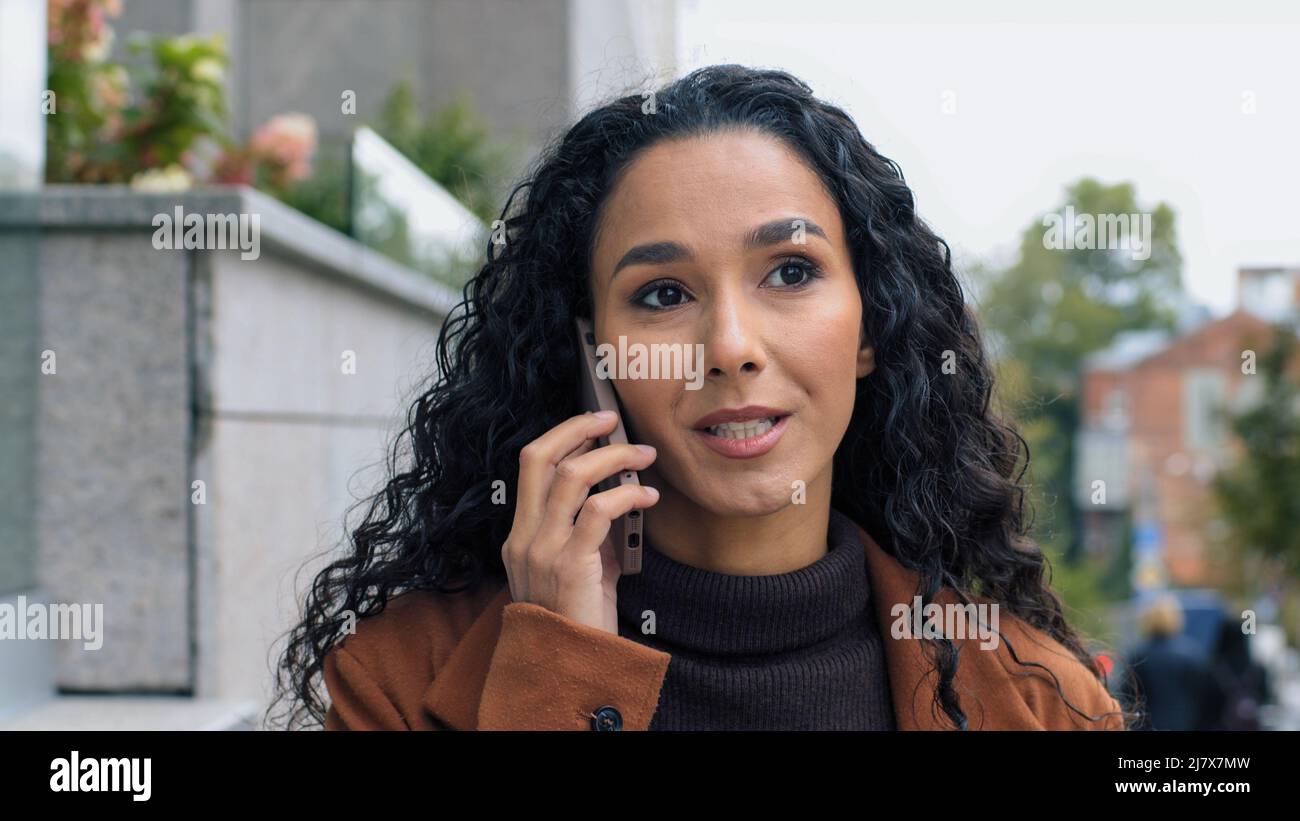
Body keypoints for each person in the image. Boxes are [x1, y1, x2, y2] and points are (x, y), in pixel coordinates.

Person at [267, 64, 1133, 731]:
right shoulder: (401, 679)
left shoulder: (1044, 703)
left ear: (871, 327)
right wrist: (561, 671)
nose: (730, 348)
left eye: (790, 272)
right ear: (586, 353)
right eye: (663, 294)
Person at [1126, 594, 1217, 730]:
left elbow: (1129, 699)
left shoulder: (1138, 657)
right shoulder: (1193, 655)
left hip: (1149, 727)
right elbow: (1208, 699)